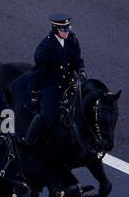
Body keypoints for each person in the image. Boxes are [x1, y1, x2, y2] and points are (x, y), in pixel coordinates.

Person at [25, 15, 85, 145]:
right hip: (51, 85)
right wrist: (35, 92)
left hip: (70, 82)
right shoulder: (46, 48)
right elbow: (39, 72)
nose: (66, 32)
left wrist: (81, 70)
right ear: (55, 29)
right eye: (63, 30)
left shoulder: (72, 39)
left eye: (67, 29)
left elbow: (77, 59)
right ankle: (27, 142)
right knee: (46, 115)